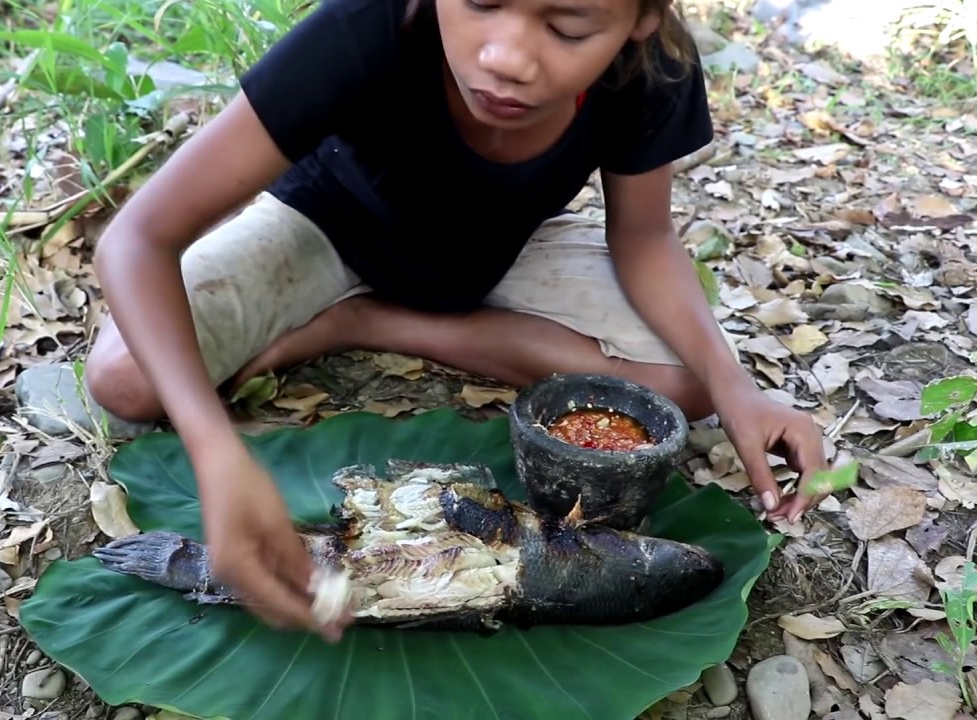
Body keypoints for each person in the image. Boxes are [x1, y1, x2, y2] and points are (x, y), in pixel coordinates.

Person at [84, 0, 828, 642]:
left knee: (681, 390)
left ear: (640, 20)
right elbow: (137, 238)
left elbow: (641, 235)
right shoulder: (366, 28)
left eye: (567, 27)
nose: (505, 57)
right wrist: (217, 452)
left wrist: (736, 389)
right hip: (325, 232)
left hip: (505, 243)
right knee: (125, 377)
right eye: (477, 3)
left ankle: (360, 324)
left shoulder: (651, 68)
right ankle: (342, 304)